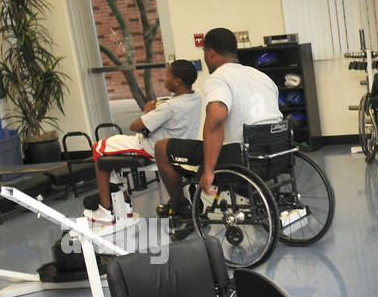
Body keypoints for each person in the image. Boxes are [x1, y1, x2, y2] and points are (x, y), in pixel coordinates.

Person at [154, 27, 281, 218]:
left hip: (240, 157)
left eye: (205, 54)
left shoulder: (219, 78)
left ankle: (183, 209)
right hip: (276, 153)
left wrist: (209, 171)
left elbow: (215, 121)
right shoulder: (261, 76)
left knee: (162, 148)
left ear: (210, 54)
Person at [84, 59, 200, 226]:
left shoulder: (169, 107)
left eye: (167, 75)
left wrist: (148, 112)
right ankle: (124, 204)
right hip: (180, 147)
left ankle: (105, 210)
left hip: (151, 148)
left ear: (177, 81)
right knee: (111, 155)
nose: (164, 78)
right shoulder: (196, 98)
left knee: (99, 148)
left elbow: (135, 126)